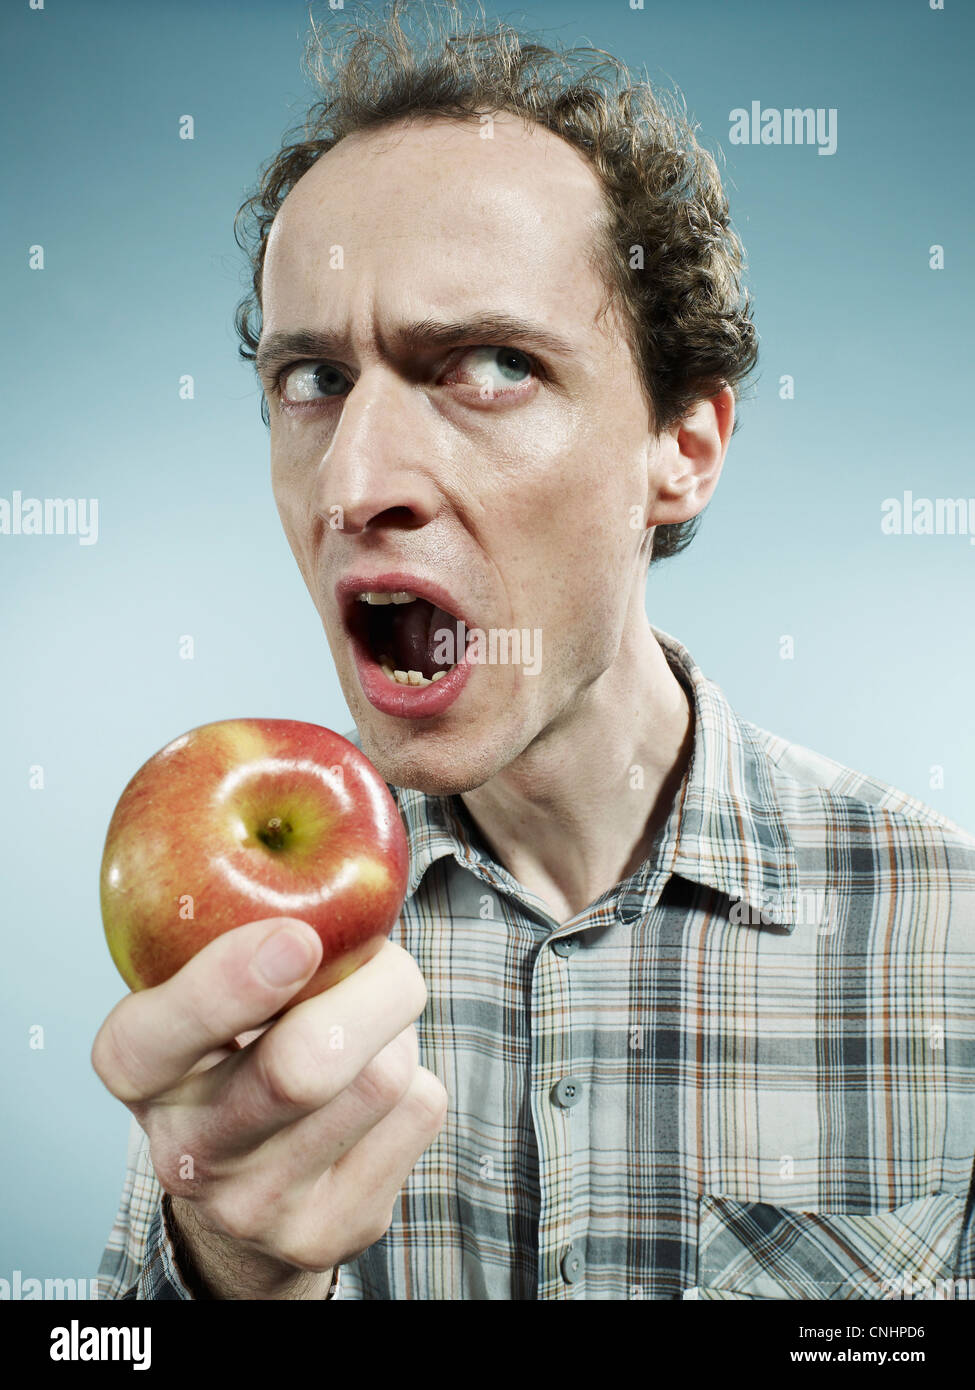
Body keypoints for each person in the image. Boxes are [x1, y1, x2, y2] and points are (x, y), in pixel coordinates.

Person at [93, 3, 975, 1301]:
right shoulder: (255, 945)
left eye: (492, 364)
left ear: (685, 445)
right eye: (312, 381)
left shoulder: (948, 939)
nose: (356, 478)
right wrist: (230, 1266)